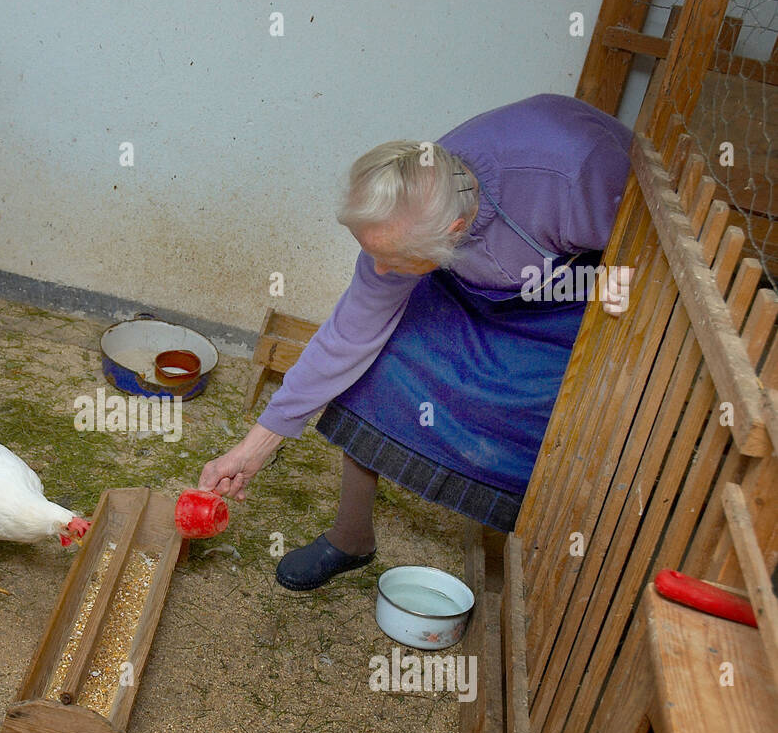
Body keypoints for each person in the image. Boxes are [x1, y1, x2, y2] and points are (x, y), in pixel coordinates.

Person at [199, 94, 632, 591]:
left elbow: (637, 247)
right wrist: (254, 448)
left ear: (453, 230)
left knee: (552, 413)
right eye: (373, 255)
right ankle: (351, 538)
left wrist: (616, 285)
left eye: (392, 260)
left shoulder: (572, 176)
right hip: (468, 280)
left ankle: (524, 567)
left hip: (567, 294)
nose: (379, 272)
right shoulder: (409, 214)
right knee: (378, 368)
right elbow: (347, 337)